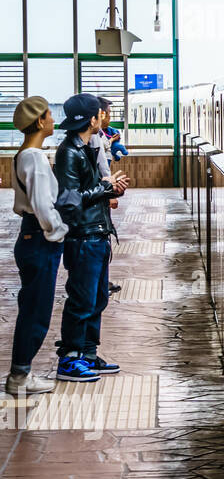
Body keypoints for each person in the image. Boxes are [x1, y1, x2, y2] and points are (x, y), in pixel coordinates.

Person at [53, 93, 128, 383]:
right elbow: (70, 201)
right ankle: (70, 359)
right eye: (99, 114)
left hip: (97, 233)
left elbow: (90, 190)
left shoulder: (84, 147)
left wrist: (110, 187)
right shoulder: (70, 152)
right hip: (83, 236)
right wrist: (105, 190)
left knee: (97, 298)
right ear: (91, 119)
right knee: (82, 300)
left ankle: (87, 352)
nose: (103, 119)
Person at [5, 97, 68, 396]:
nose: (54, 121)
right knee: (36, 310)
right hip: (39, 239)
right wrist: (58, 232)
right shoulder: (35, 157)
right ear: (40, 122)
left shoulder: (23, 154)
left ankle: (21, 373)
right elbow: (43, 205)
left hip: (29, 237)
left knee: (32, 307)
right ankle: (20, 376)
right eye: (50, 116)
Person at [92, 97, 122, 296]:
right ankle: (100, 284)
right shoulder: (95, 138)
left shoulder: (98, 135)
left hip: (102, 190)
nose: (110, 116)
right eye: (108, 113)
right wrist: (109, 191)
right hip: (99, 194)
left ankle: (102, 282)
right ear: (100, 115)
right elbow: (102, 166)